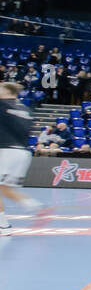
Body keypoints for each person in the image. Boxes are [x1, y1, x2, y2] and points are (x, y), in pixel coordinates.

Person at [0, 82, 39, 234]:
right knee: (4, 189)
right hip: (23, 152)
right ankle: (36, 206)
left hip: (6, 151)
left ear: (7, 91)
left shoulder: (2, 105)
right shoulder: (26, 109)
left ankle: (3, 226)